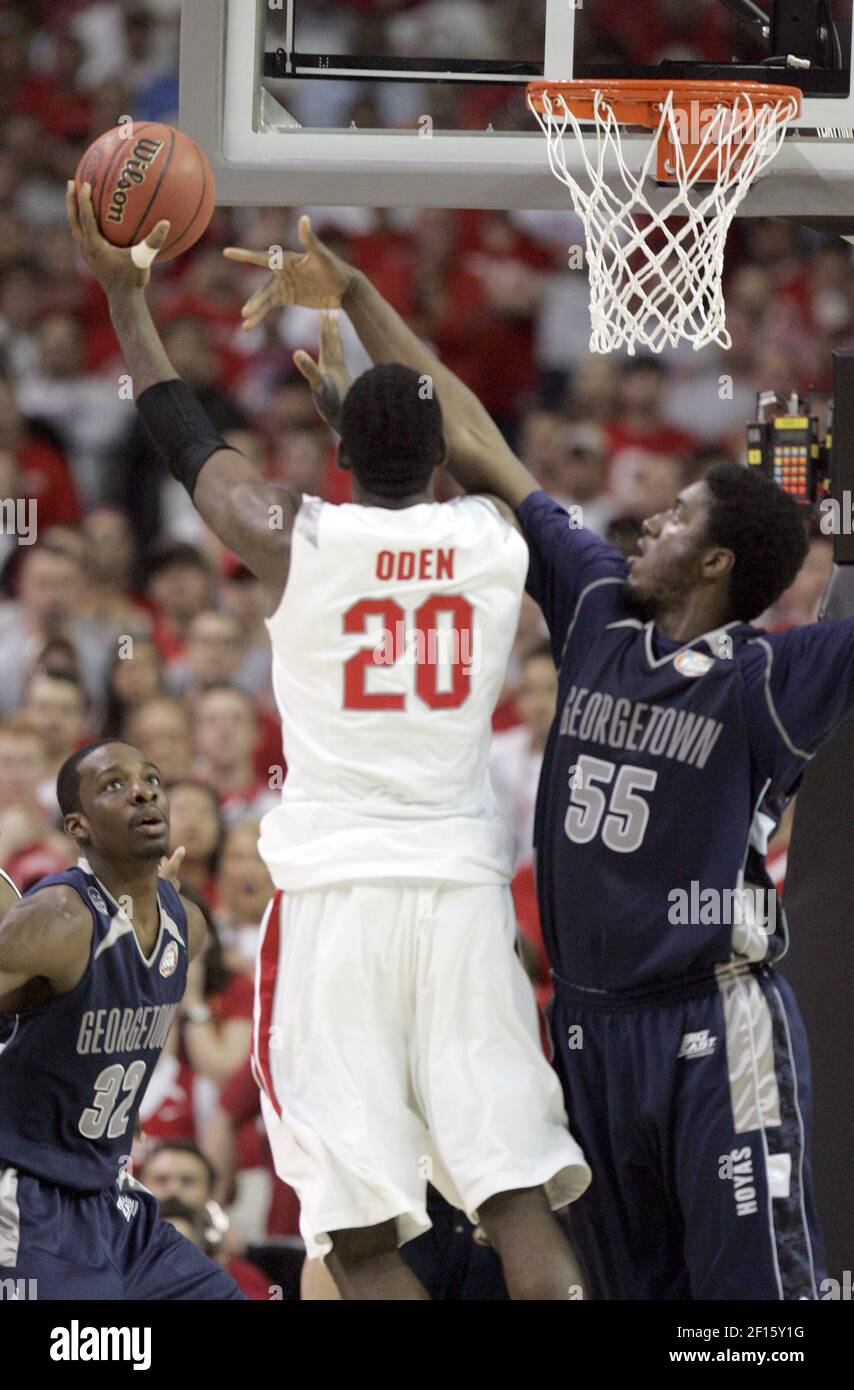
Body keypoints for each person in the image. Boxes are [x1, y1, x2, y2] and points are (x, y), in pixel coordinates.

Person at [256, 219, 847, 1302]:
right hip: (587, 1023)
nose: (646, 522)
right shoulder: (591, 604)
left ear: (716, 560)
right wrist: (352, 298)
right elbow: (470, 433)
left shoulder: (770, 675)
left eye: (674, 518)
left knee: (750, 1303)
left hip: (712, 1014)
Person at [65, 183, 590, 1301]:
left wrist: (126, 298)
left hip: (339, 896)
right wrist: (353, 294)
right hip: (459, 891)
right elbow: (472, 430)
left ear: (336, 448)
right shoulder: (492, 537)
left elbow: (185, 437)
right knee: (509, 1193)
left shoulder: (295, 536)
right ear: (438, 452)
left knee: (354, 1229)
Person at [0, 738, 244, 1299]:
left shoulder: (189, 927)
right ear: (79, 827)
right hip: (28, 1197)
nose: (142, 791)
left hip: (113, 1198)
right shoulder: (58, 920)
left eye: (151, 780)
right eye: (114, 784)